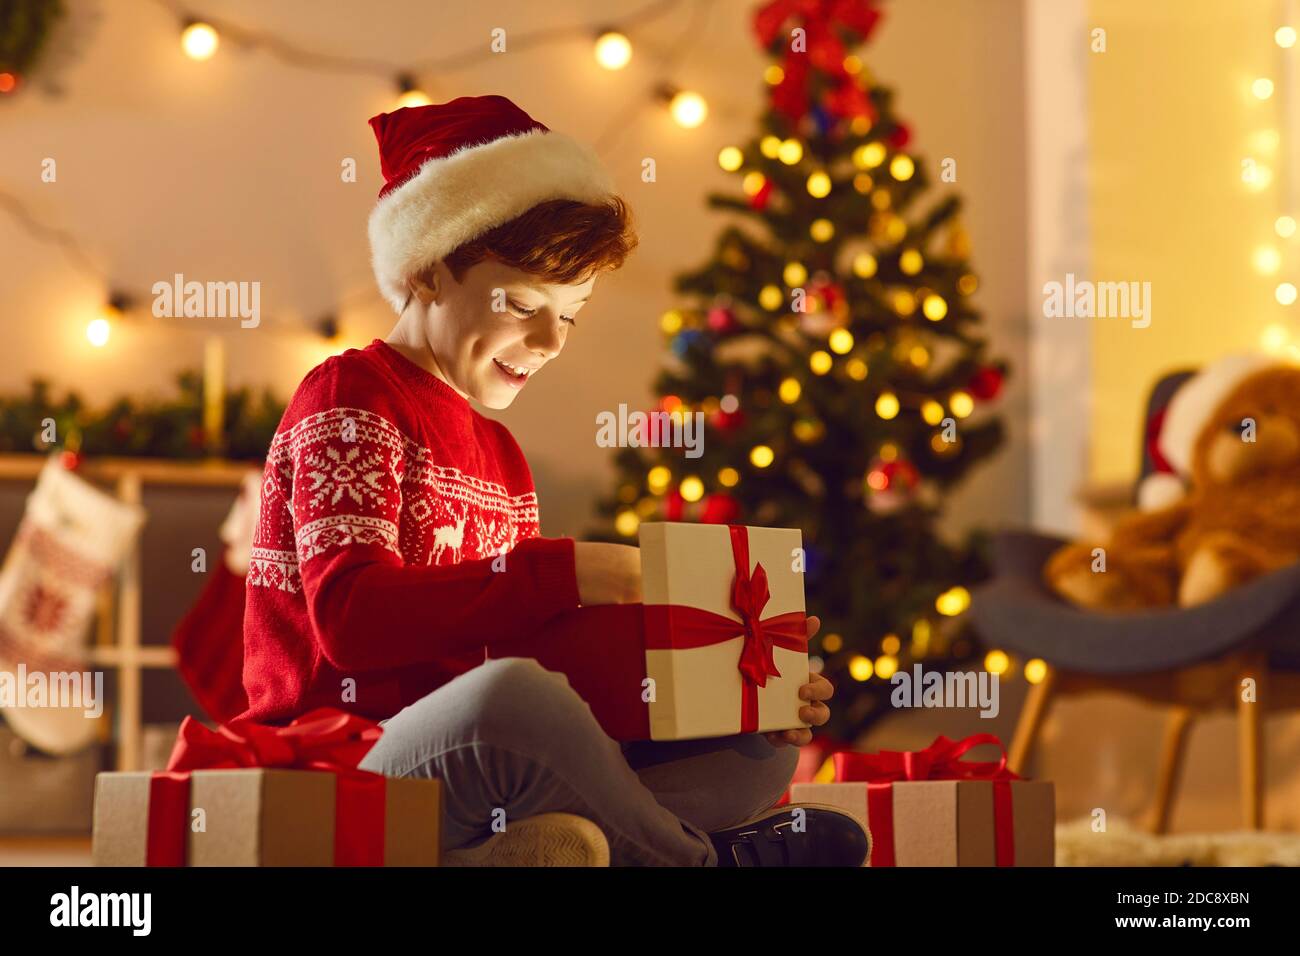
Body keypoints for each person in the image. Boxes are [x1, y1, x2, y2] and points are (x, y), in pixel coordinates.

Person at [241, 94, 867, 867]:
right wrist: (569, 569)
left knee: (759, 749)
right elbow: (351, 619)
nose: (549, 342)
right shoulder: (351, 396)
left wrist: (731, 677)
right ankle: (701, 860)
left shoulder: (500, 453)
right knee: (512, 700)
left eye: (570, 316)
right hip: (347, 765)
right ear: (431, 269)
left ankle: (549, 852)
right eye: (526, 305)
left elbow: (527, 640)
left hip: (477, 779)